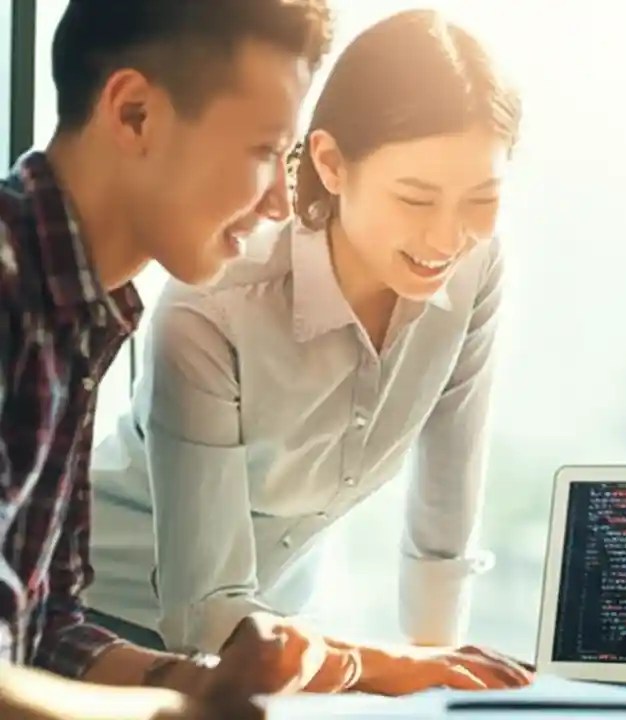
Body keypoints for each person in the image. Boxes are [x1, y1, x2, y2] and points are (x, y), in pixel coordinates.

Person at [87, 8, 532, 696]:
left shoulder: (475, 266)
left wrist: (444, 680)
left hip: (288, 641)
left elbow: (443, 523)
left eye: (482, 198)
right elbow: (203, 613)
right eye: (415, 197)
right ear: (329, 162)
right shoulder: (214, 299)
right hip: (107, 627)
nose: (449, 236)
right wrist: (390, 671)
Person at [0, 0, 336, 717]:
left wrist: (200, 680)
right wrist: (170, 715)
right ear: (135, 115)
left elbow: (46, 632)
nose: (281, 199)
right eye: (261, 152)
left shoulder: (82, 314)